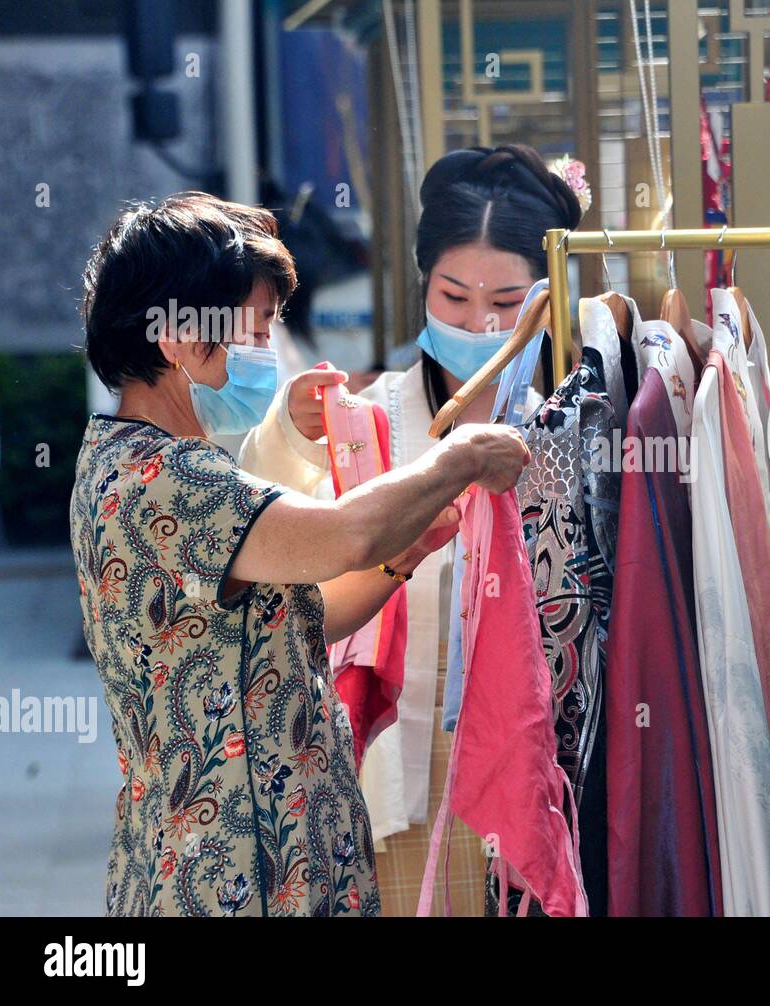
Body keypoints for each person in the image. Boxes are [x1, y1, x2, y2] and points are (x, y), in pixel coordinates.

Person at [70, 192, 530, 917]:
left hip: (249, 865)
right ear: (181, 340)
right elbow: (344, 532)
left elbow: (300, 621)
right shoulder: (172, 482)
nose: (266, 356)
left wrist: (402, 558)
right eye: (254, 334)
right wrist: (460, 457)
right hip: (236, 880)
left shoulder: (124, 464)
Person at [238, 143, 586, 915]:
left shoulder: (576, 420)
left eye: (507, 301)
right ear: (423, 285)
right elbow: (277, 519)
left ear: (551, 298)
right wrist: (295, 434)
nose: (479, 323)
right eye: (453, 297)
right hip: (407, 760)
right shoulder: (380, 415)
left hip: (545, 748)